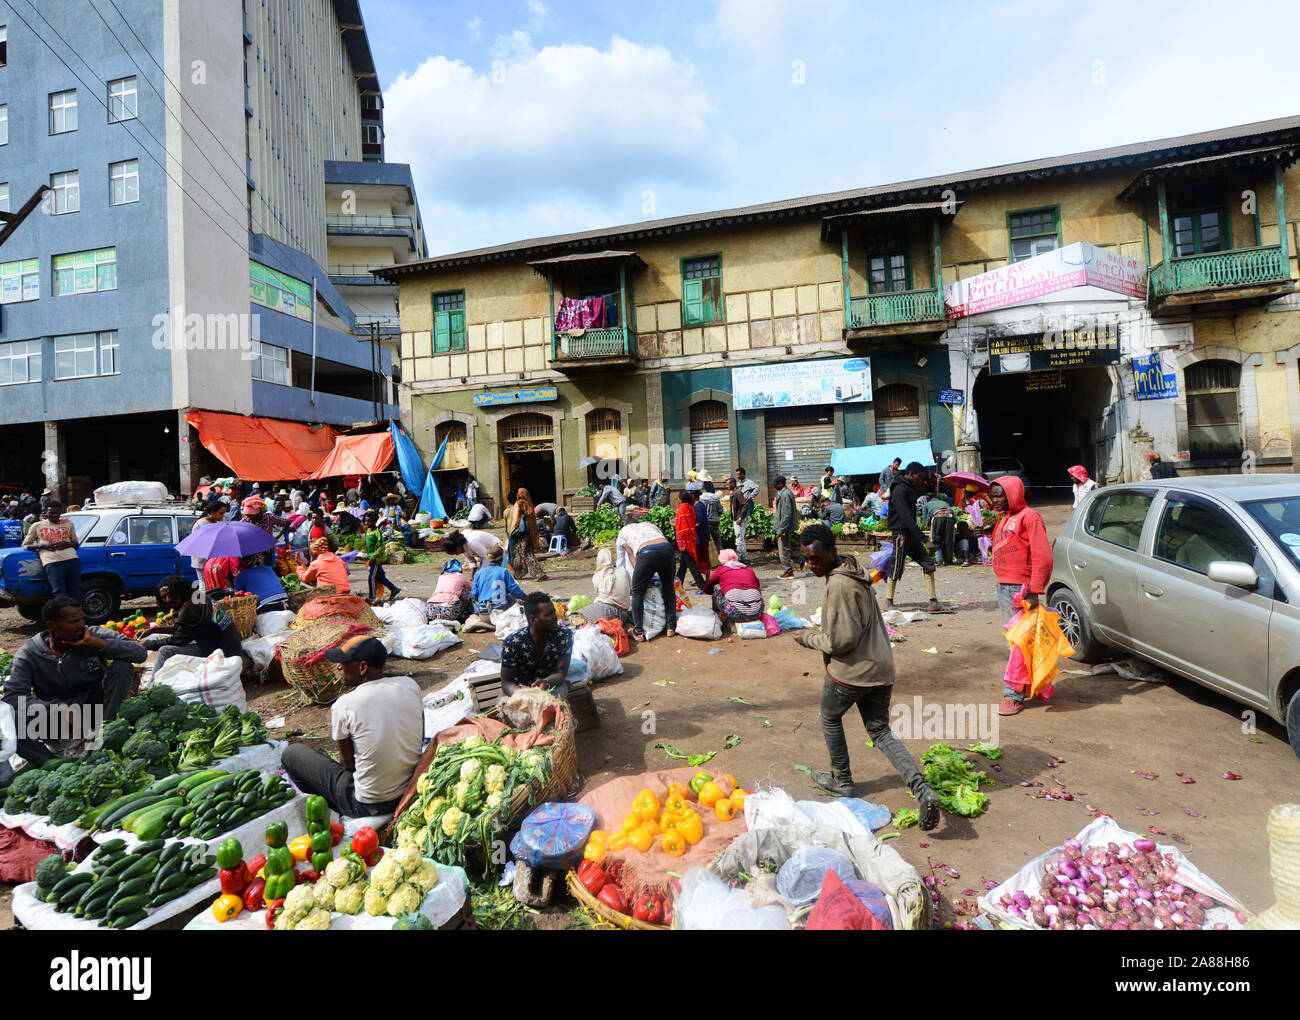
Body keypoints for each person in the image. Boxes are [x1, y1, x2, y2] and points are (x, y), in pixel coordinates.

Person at [793, 523, 941, 828]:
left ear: (832, 553)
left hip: (853, 672)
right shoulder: (854, 572)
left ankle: (842, 780)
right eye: (807, 559)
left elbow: (840, 642)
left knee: (829, 716)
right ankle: (922, 790)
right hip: (881, 667)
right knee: (881, 732)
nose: (812, 565)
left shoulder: (839, 585)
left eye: (816, 558)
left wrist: (808, 638)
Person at [282, 636, 422, 818]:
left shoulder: (344, 705)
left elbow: (347, 765)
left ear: (362, 668)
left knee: (291, 754)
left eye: (344, 663)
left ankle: (334, 813)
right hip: (411, 788)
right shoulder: (410, 685)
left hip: (369, 805)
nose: (338, 667)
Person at [4, 597, 145, 764]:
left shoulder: (92, 634)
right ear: (51, 626)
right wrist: (58, 708)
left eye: (82, 619)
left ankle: (106, 735)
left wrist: (97, 643)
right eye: (73, 621)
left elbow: (140, 653)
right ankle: (50, 765)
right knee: (8, 718)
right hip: (59, 720)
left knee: (122, 666)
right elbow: (12, 697)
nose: (81, 625)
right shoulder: (29, 653)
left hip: (97, 711)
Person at [989, 477, 1054, 717]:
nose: (994, 500)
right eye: (993, 496)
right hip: (1004, 587)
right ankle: (1032, 685)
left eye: (999, 495)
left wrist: (1036, 589)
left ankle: (1013, 696)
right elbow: (1006, 544)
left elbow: (1043, 556)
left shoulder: (1030, 517)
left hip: (1022, 590)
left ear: (1013, 493)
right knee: (1019, 641)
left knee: (1020, 643)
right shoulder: (1005, 517)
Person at [143, 575, 243, 673]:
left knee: (165, 651)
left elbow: (178, 639)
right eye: (164, 597)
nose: (168, 600)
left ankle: (152, 686)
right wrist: (153, 630)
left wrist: (148, 644)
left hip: (223, 652)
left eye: (172, 595)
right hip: (228, 647)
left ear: (181, 592)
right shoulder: (198, 598)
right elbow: (183, 628)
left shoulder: (191, 606)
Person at [884, 463, 942, 613]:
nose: (921, 480)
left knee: (928, 563)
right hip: (901, 533)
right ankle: (888, 601)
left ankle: (933, 601)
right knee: (896, 566)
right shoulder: (900, 490)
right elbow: (906, 517)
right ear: (911, 473)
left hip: (910, 533)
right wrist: (924, 539)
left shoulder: (908, 489)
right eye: (919, 477)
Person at [500, 592, 574, 700]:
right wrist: (524, 695)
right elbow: (506, 683)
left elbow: (561, 674)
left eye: (554, 612)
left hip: (551, 687)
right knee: (504, 707)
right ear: (532, 619)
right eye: (548, 615)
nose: (554, 617)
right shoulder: (512, 643)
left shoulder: (564, 636)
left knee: (555, 703)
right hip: (520, 690)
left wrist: (546, 682)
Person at [617, 519, 677, 640]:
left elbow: (628, 555)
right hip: (667, 549)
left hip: (646, 553)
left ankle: (638, 631)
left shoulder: (623, 533)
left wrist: (638, 577)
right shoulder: (649, 525)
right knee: (668, 588)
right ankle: (671, 627)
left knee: (637, 591)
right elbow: (660, 545)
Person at [23, 501, 81, 600]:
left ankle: (77, 614)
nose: (54, 515)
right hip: (52, 562)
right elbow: (25, 545)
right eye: (51, 513)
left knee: (76, 592)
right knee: (60, 593)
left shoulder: (68, 523)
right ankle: (64, 614)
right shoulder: (37, 525)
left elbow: (76, 543)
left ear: (60, 512)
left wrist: (67, 544)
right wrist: (42, 545)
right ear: (45, 513)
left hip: (72, 560)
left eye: (57, 513)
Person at [702, 548, 763, 623]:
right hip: (757, 612)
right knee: (755, 590)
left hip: (736, 614)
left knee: (716, 588)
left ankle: (717, 617)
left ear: (721, 560)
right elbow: (757, 585)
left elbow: (707, 589)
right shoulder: (748, 569)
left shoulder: (721, 570)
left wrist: (724, 591)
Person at [506, 488, 547, 580]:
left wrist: (511, 531)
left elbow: (516, 520)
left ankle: (538, 574)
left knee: (525, 553)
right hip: (528, 533)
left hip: (520, 534)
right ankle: (519, 573)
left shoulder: (518, 504)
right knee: (520, 553)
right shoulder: (529, 504)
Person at [363, 511, 402, 604]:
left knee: (372, 578)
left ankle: (372, 597)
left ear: (374, 521)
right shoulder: (368, 531)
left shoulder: (377, 532)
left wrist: (373, 557)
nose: (367, 523)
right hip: (371, 557)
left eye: (369, 521)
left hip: (376, 559)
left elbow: (381, 547)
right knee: (380, 578)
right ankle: (394, 589)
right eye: (366, 521)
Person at [584, 548, 631, 623]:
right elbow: (630, 589)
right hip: (624, 615)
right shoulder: (624, 572)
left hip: (606, 613)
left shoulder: (597, 576)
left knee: (580, 613)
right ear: (612, 559)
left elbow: (598, 593)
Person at [471, 546, 525, 612]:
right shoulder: (504, 571)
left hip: (483, 608)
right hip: (500, 607)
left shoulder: (479, 573)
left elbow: (474, 594)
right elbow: (515, 590)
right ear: (502, 559)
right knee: (511, 597)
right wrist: (528, 598)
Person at [240, 496, 290, 566]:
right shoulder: (245, 521)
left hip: (268, 552)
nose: (248, 517)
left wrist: (277, 536)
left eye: (251, 515)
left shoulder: (269, 517)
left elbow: (287, 522)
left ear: (258, 513)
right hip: (253, 554)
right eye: (247, 515)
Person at [673, 491, 708, 590]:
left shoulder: (682, 508)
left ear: (681, 499)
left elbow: (682, 525)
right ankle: (678, 585)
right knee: (684, 564)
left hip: (684, 538)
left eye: (678, 498)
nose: (677, 500)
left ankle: (702, 586)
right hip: (689, 538)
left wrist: (673, 524)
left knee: (691, 564)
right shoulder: (690, 507)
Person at [772, 475, 802, 578]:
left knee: (783, 550)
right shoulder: (784, 493)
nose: (774, 487)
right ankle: (799, 560)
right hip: (785, 526)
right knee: (786, 547)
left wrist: (781, 529)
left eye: (775, 484)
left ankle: (788, 571)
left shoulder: (785, 495)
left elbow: (786, 514)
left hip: (785, 527)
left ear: (780, 484)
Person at [727, 476, 751, 564]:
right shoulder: (733, 492)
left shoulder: (737, 493)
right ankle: (743, 557)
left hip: (739, 519)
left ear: (733, 484)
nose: (727, 486)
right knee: (740, 538)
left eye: (728, 484)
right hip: (736, 519)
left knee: (739, 539)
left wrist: (740, 517)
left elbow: (745, 505)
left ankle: (741, 558)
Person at [698, 478, 725, 555]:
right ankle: (722, 558)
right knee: (717, 541)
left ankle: (707, 560)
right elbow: (720, 510)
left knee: (704, 543)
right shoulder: (715, 497)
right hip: (715, 522)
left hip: (705, 523)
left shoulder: (700, 498)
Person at [693, 486, 712, 577]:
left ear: (693, 496)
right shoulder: (700, 505)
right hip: (702, 535)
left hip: (701, 536)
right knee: (700, 557)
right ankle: (700, 577)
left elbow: (699, 523)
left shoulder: (698, 507)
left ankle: (706, 578)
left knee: (702, 557)